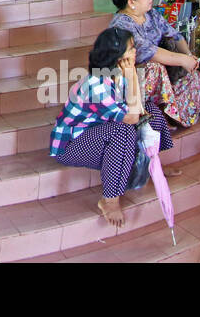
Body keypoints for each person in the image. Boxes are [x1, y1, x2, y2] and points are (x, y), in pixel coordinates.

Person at [49, 27, 174, 229]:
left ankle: (155, 164)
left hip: (100, 134)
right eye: (131, 48)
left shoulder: (118, 76)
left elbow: (139, 109)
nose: (135, 52)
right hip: (72, 146)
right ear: (116, 57)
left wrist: (131, 77)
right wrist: (132, 75)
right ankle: (109, 200)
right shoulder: (95, 85)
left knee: (152, 110)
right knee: (122, 130)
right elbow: (132, 118)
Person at [110, 0, 200, 128]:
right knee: (154, 68)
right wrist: (181, 59)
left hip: (160, 74)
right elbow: (149, 52)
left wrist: (188, 56)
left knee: (192, 74)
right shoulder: (121, 24)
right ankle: (157, 115)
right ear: (131, 2)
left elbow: (175, 36)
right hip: (128, 80)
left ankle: (175, 116)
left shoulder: (151, 14)